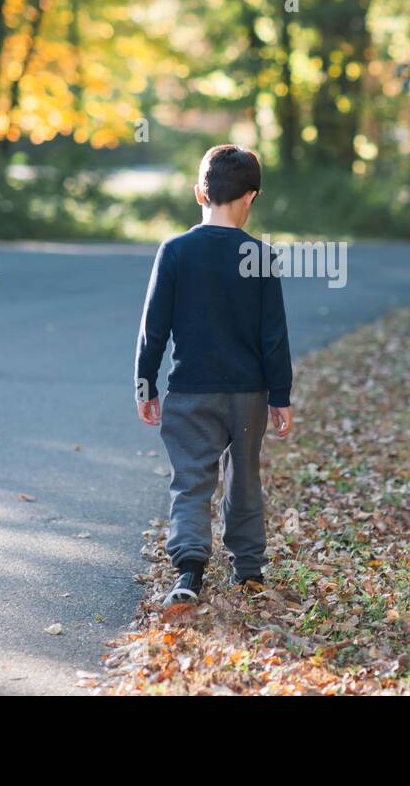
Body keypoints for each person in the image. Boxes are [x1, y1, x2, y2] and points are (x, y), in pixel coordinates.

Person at [134, 144, 293, 606]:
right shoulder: (260, 255)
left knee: (191, 481)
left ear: (198, 193)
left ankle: (188, 573)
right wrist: (279, 395)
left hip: (190, 392)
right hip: (247, 393)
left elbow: (153, 326)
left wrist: (145, 383)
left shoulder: (175, 251)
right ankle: (248, 573)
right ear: (250, 199)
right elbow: (274, 336)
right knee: (244, 478)